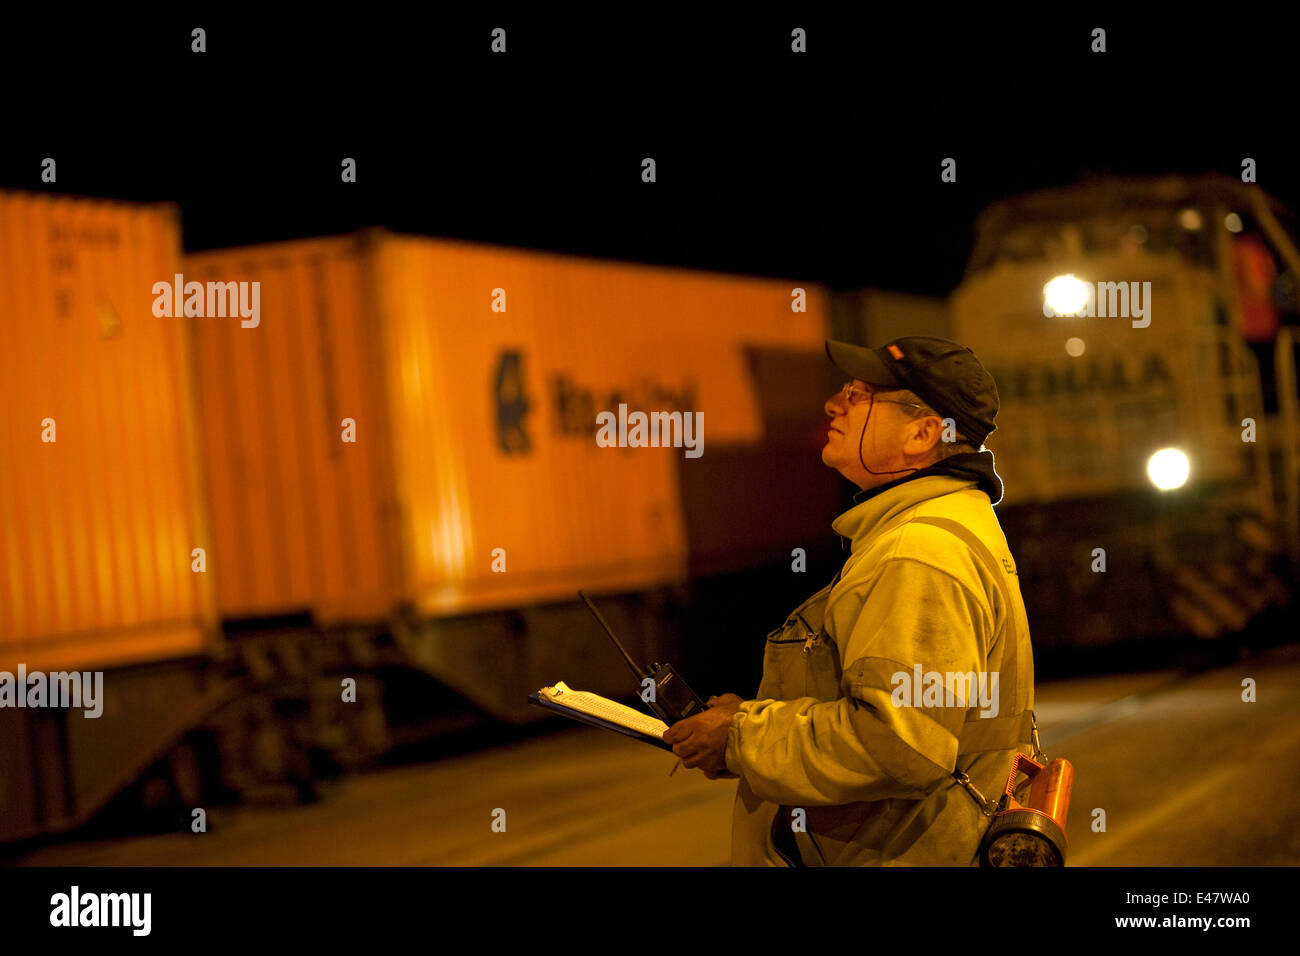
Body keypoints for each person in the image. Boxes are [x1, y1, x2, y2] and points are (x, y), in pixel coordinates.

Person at [663, 335, 1037, 866]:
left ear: (923, 434)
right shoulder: (940, 527)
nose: (833, 404)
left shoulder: (919, 552)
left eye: (860, 395)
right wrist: (751, 716)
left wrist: (741, 736)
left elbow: (898, 745)